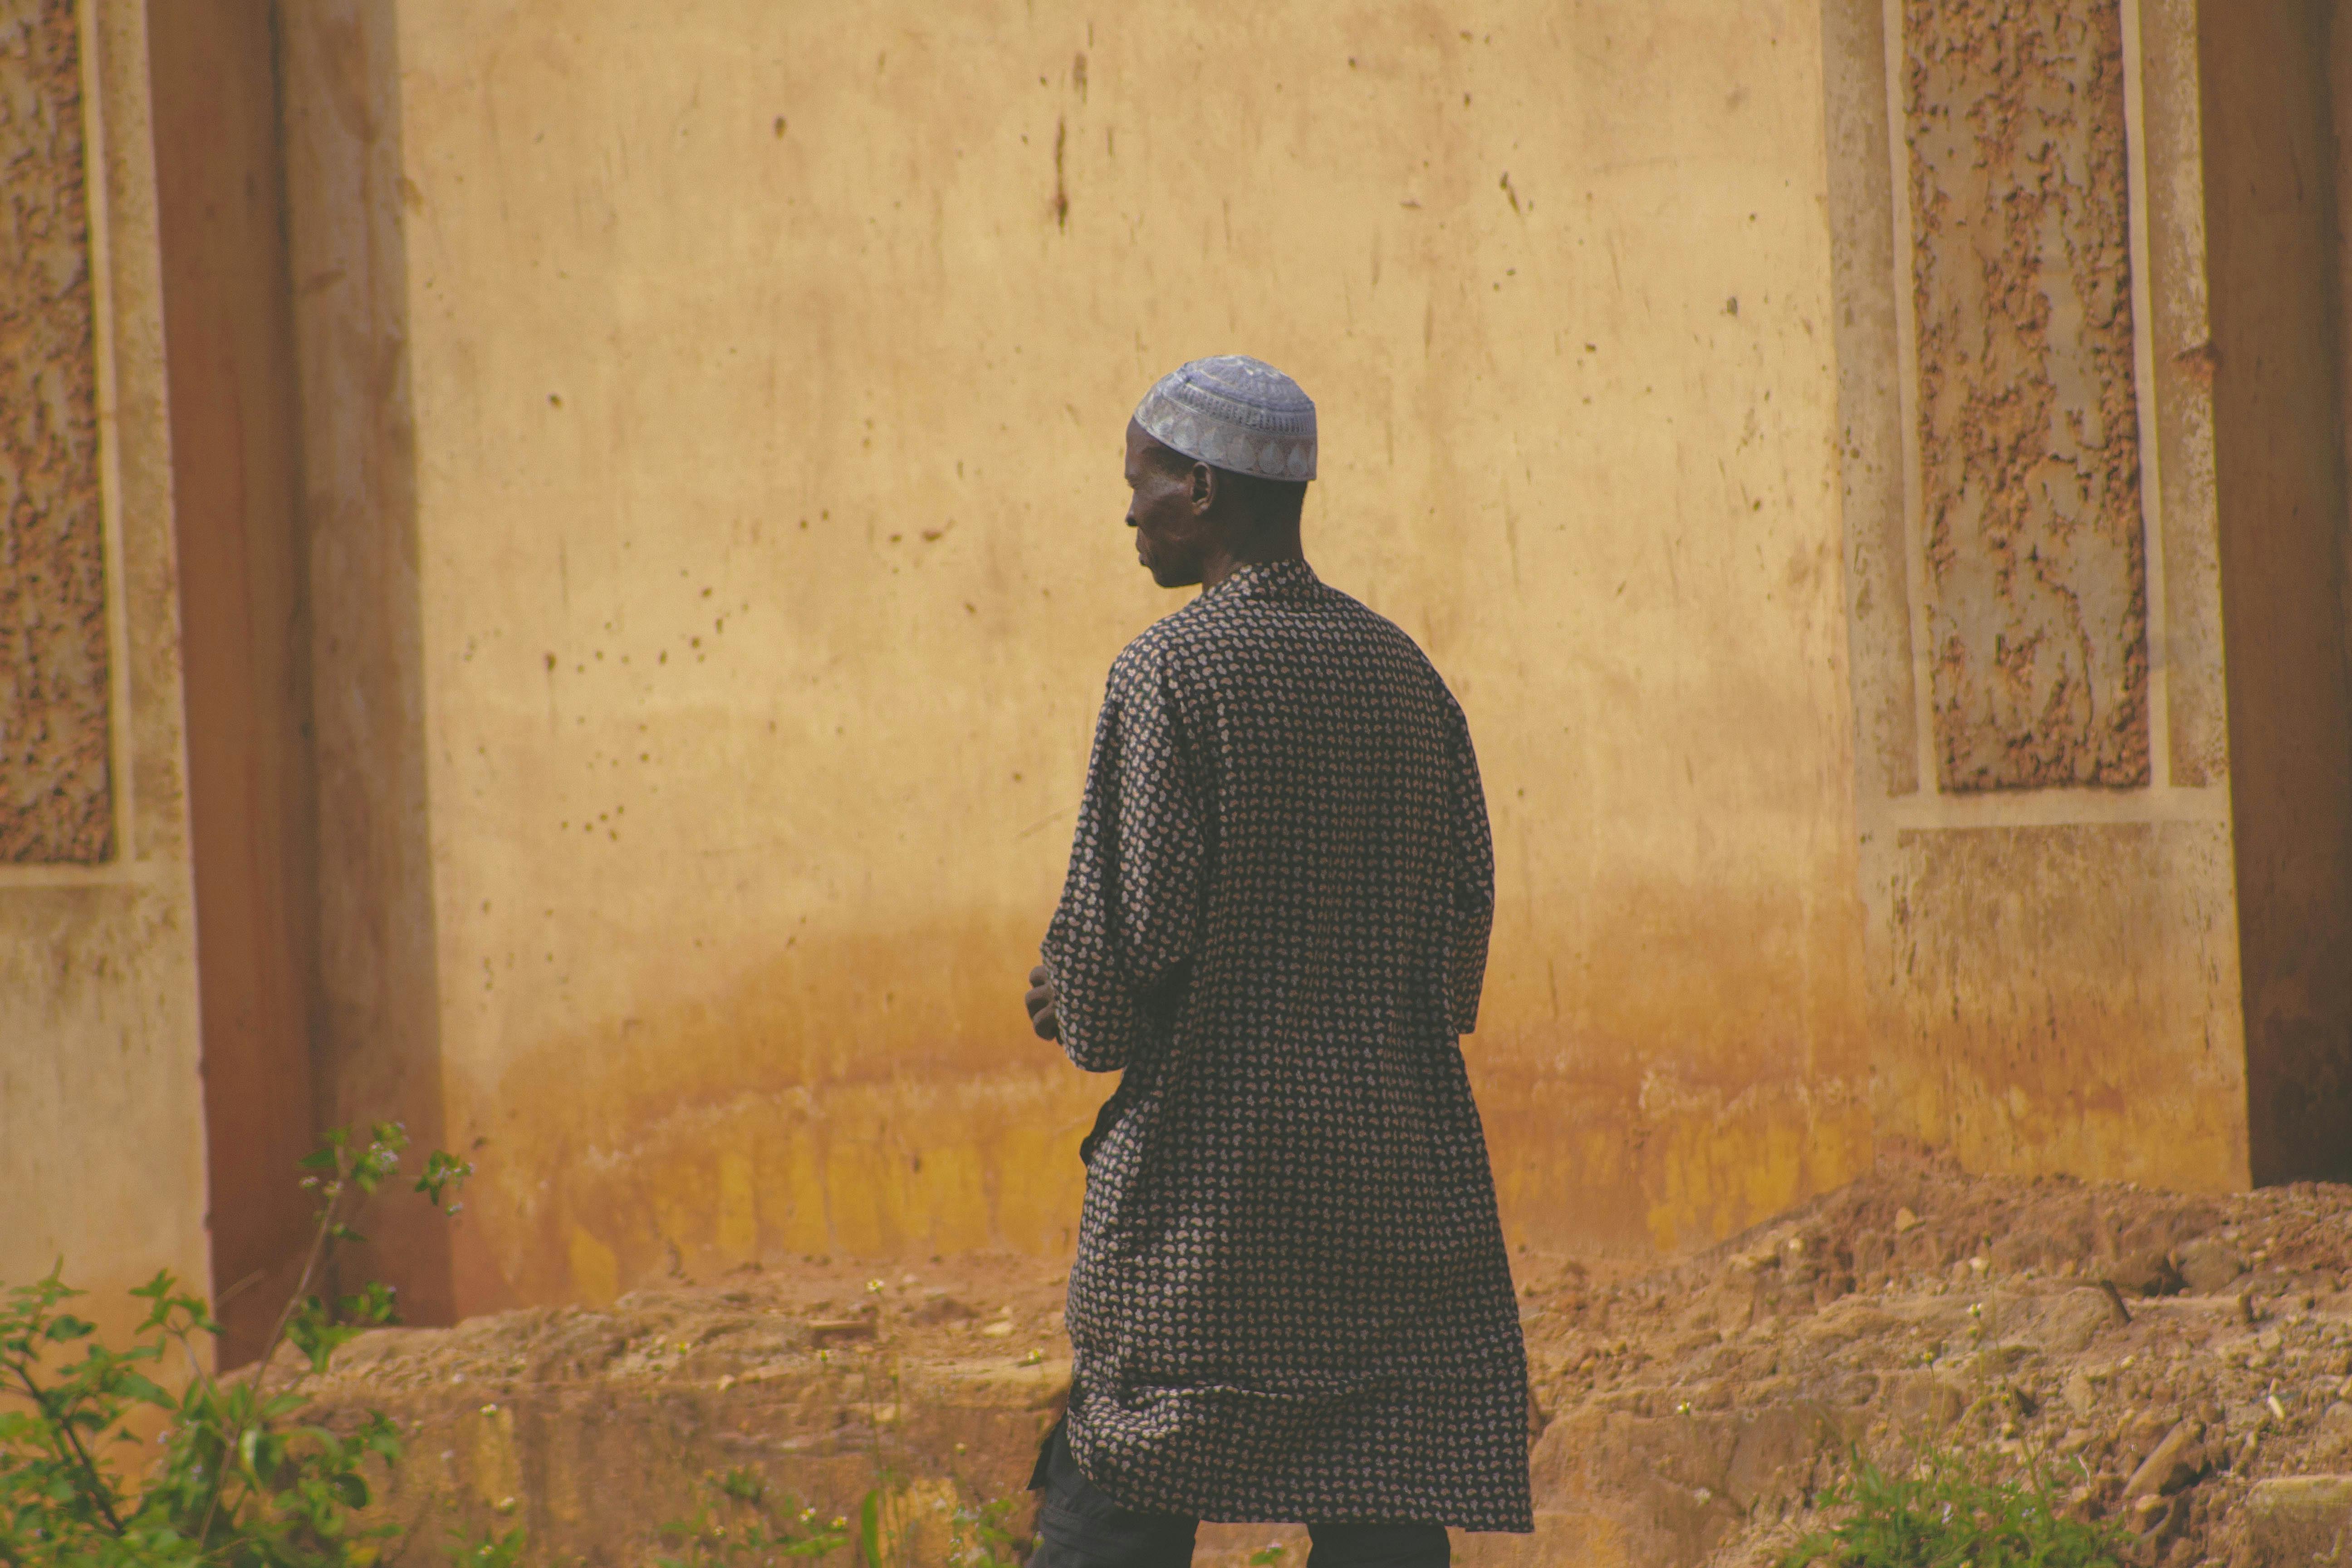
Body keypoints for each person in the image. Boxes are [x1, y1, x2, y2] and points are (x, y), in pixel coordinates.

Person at [1020, 356, 1531, 1568]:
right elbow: (1459, 950)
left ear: (1201, 487)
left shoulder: (1169, 673)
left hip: (1208, 1206)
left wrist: (1060, 994)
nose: (1129, 510)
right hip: (1394, 1203)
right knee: (1382, 1507)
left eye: (1140, 480)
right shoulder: (1405, 676)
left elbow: (1111, 974)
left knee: (1122, 1494)